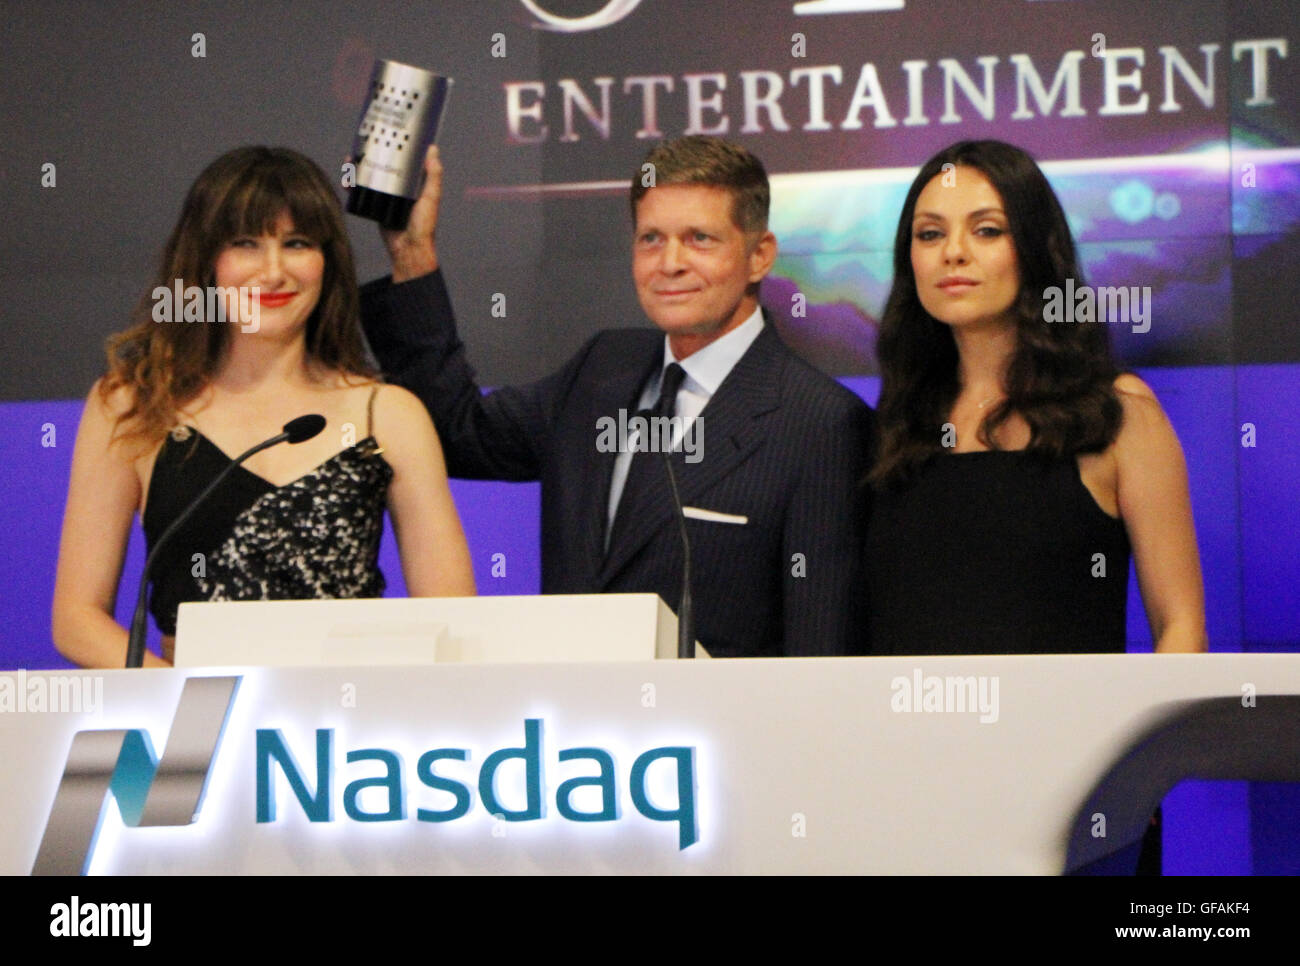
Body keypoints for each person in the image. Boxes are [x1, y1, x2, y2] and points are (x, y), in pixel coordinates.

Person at [360, 136, 875, 657]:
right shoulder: (603, 370)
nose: (669, 263)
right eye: (651, 239)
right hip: (574, 730)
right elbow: (457, 432)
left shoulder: (820, 422)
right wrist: (412, 253)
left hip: (720, 733)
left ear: (759, 255)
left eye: (699, 238)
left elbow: (820, 650)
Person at [53, 146, 475, 668]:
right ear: (205, 260)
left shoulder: (386, 413)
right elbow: (75, 618)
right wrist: (184, 703)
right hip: (192, 725)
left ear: (327, 263)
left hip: (348, 732)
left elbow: (454, 623)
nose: (273, 272)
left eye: (296, 243)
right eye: (246, 243)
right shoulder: (134, 404)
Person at [865, 140, 1207, 655]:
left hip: (1074, 733)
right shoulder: (894, 422)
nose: (953, 252)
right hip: (907, 733)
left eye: (987, 230)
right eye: (930, 234)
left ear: (1034, 247)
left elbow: (1181, 627)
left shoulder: (1115, 412)